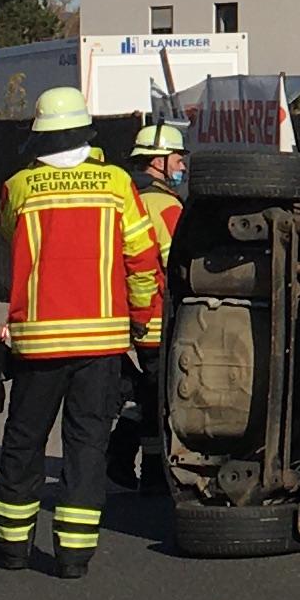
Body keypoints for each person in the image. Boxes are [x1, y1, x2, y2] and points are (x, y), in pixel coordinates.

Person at [0, 88, 162, 582]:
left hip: (39, 340)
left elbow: (11, 236)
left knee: (24, 440)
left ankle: (11, 548)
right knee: (86, 445)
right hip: (101, 342)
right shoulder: (116, 185)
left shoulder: (18, 187)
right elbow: (142, 258)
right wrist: (141, 317)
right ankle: (72, 556)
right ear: (87, 132)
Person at [115, 120, 190, 490]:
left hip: (124, 315)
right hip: (158, 318)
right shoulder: (165, 205)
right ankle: (154, 472)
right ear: (158, 161)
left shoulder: (124, 199)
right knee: (161, 401)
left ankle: (122, 458)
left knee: (146, 394)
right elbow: (181, 263)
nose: (182, 166)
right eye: (177, 158)